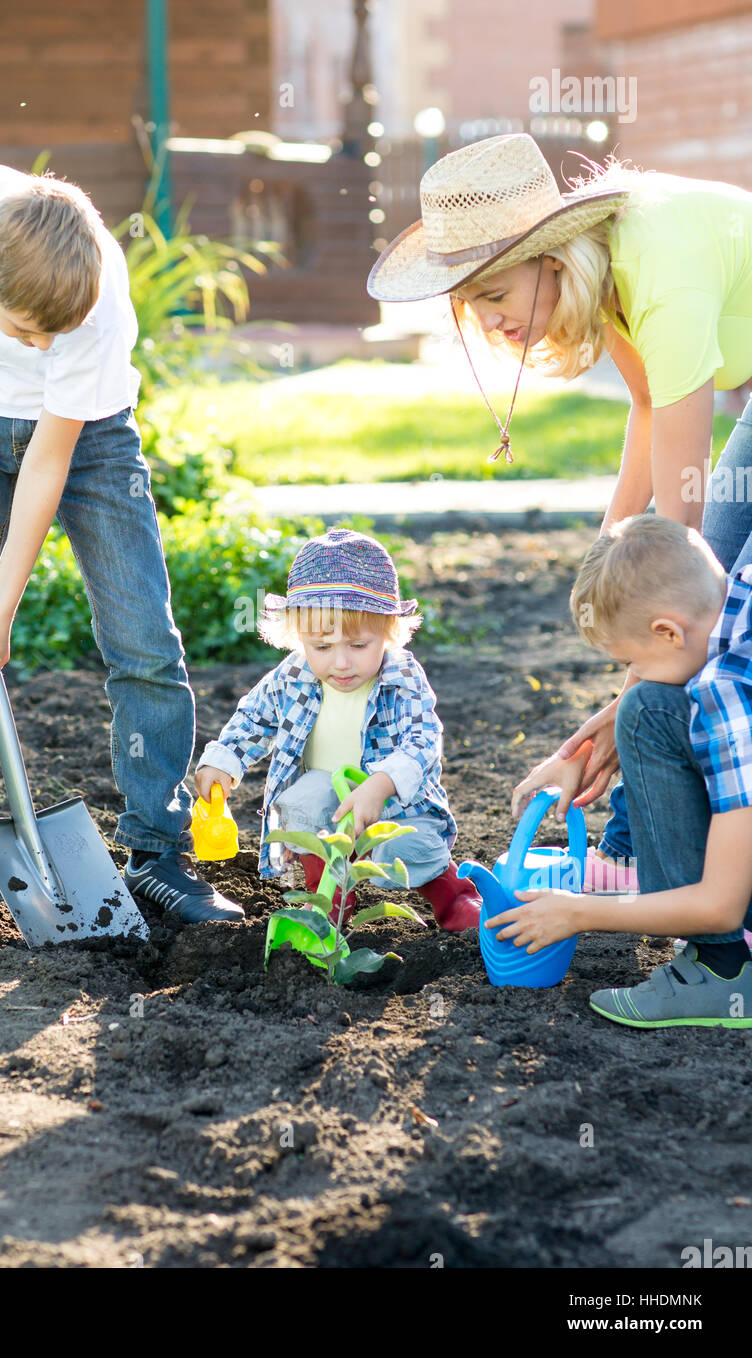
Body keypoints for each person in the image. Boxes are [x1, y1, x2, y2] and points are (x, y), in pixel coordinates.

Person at [0, 127, 242, 925]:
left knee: (142, 636)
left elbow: (49, 465)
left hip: (87, 435)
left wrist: (5, 610)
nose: (41, 346)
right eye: (28, 330)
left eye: (55, 333)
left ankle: (158, 851)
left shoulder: (96, 308)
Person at [367, 130, 752, 893]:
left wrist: (616, 698)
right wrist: (604, 553)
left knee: (711, 621)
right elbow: (647, 406)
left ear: (552, 258)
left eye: (496, 296)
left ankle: (647, 856)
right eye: (474, 307)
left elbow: (682, 543)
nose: (492, 323)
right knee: (683, 626)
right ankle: (635, 848)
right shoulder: (607, 266)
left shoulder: (660, 271)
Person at [487, 515, 752, 1028]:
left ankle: (721, 972)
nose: (633, 677)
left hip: (721, 907)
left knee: (646, 709)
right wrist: (583, 751)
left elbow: (719, 906)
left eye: (631, 661)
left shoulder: (728, 690)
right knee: (646, 707)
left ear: (668, 631)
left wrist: (579, 913)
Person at [194, 528, 481, 930]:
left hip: (394, 801)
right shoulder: (293, 674)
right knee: (303, 804)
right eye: (322, 647)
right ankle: (325, 905)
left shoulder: (402, 677)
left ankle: (453, 899)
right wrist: (224, 762)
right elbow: (254, 717)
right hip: (326, 795)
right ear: (298, 638)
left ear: (388, 632)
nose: (341, 663)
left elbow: (423, 740)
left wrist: (380, 786)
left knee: (410, 846)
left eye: (359, 645)